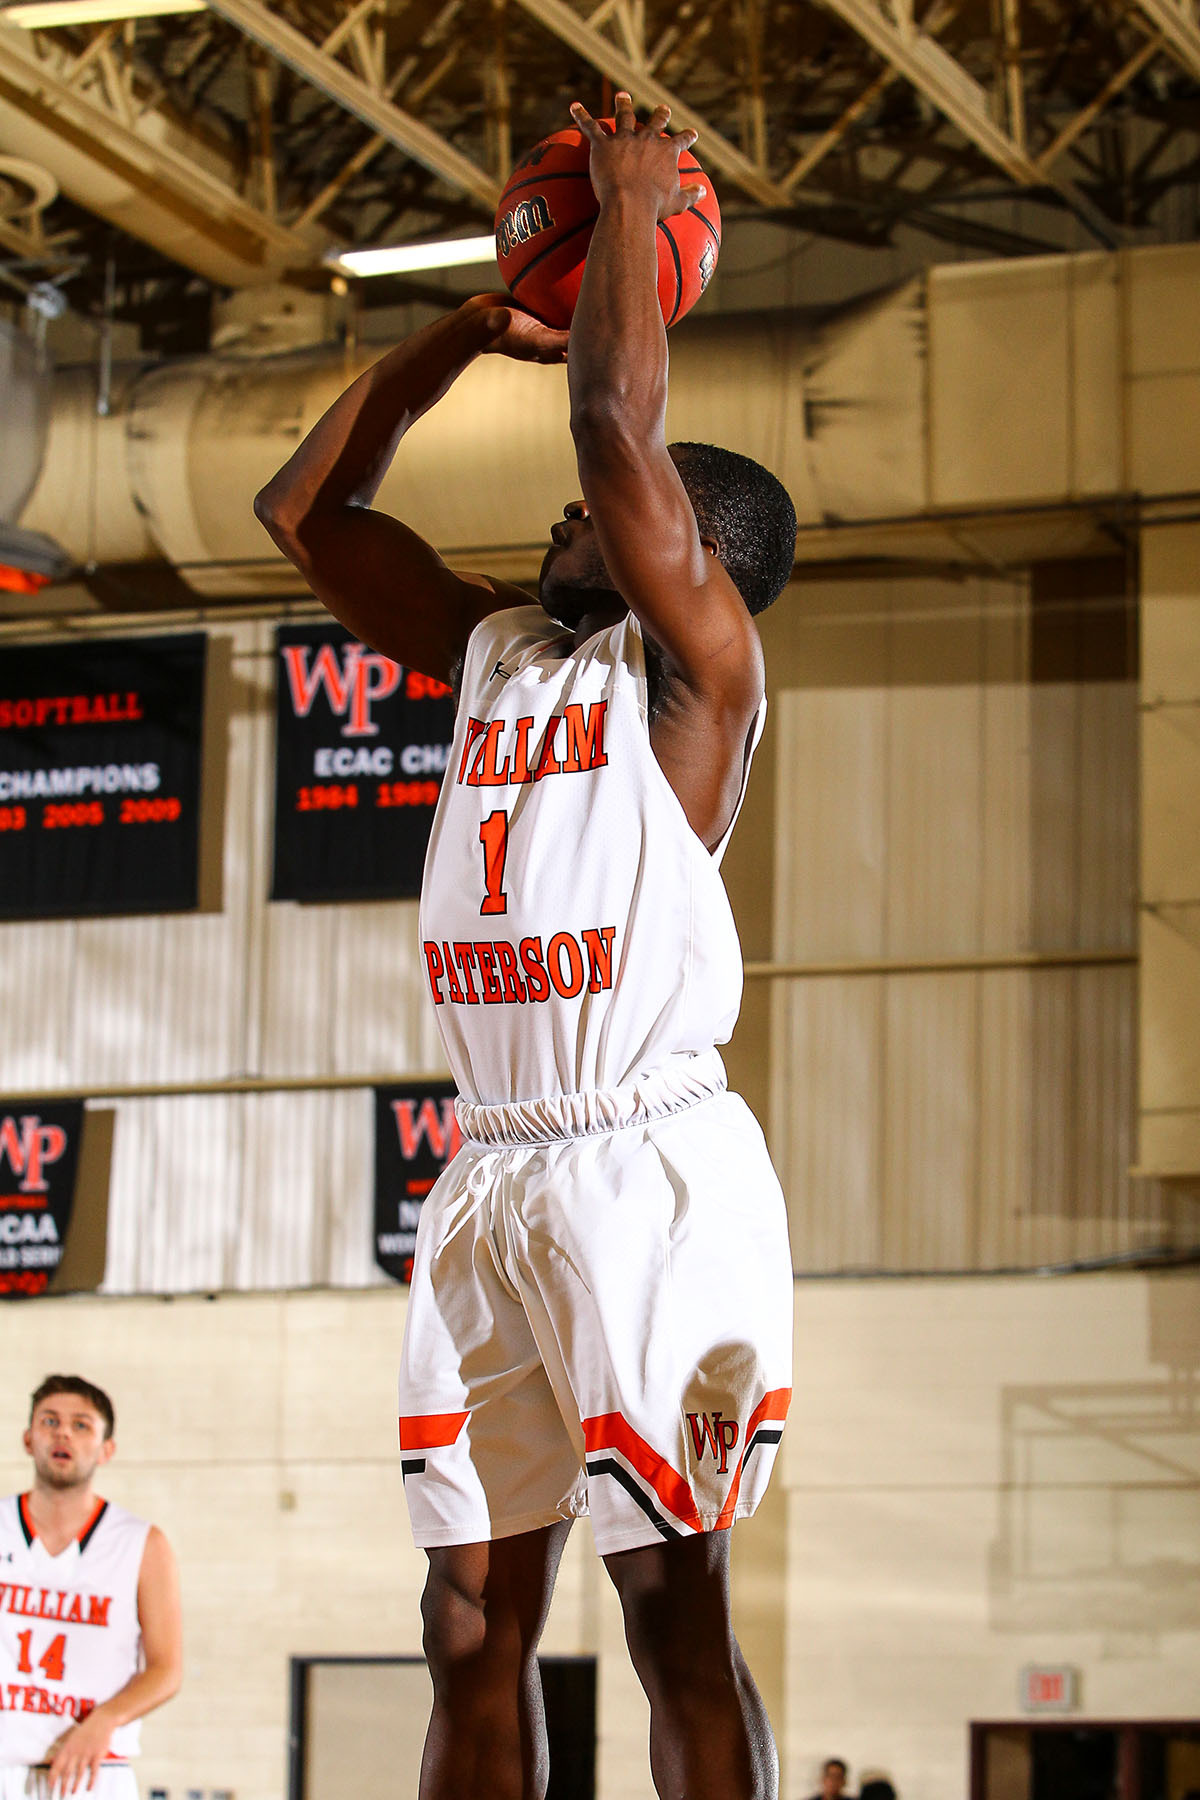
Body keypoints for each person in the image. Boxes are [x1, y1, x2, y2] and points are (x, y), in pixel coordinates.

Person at [256, 91, 796, 1800]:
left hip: (649, 1168)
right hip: (494, 1163)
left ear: (687, 552)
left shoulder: (692, 670)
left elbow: (615, 431)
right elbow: (306, 514)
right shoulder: (502, 651)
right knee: (466, 1619)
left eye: (605, 515)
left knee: (672, 1605)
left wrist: (632, 209)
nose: (568, 517)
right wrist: (460, 334)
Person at [1, 1376, 182, 1800]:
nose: (62, 1433)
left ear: (106, 1449)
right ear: (28, 1439)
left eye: (81, 1425)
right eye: (50, 1421)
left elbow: (166, 1670)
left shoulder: (142, 1543)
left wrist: (106, 1719)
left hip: (93, 1775)